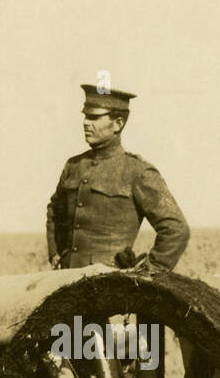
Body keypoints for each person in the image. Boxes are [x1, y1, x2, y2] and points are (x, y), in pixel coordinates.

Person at [46, 84, 190, 271]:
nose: (85, 123)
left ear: (118, 123)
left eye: (94, 117)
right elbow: (55, 211)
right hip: (65, 277)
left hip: (109, 285)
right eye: (85, 116)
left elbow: (176, 229)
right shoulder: (74, 166)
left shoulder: (137, 172)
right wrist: (56, 253)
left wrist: (149, 271)